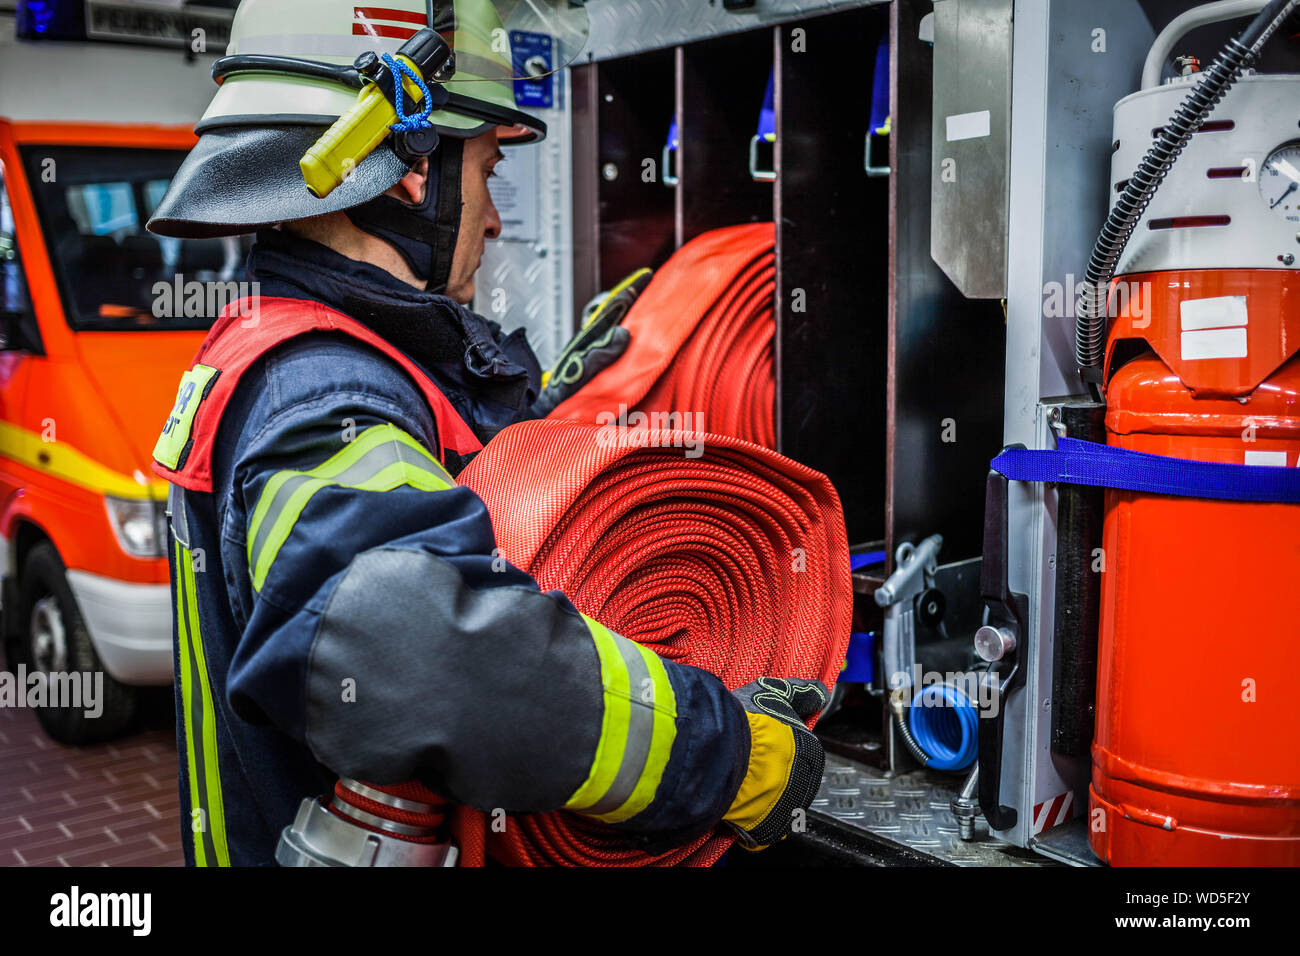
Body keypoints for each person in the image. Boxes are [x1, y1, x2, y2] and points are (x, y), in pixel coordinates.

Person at [147, 0, 826, 866]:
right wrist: (728, 755)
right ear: (408, 171)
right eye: (486, 169)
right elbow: (416, 654)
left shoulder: (313, 349)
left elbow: (428, 518)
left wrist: (542, 425)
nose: (496, 217)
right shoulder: (320, 389)